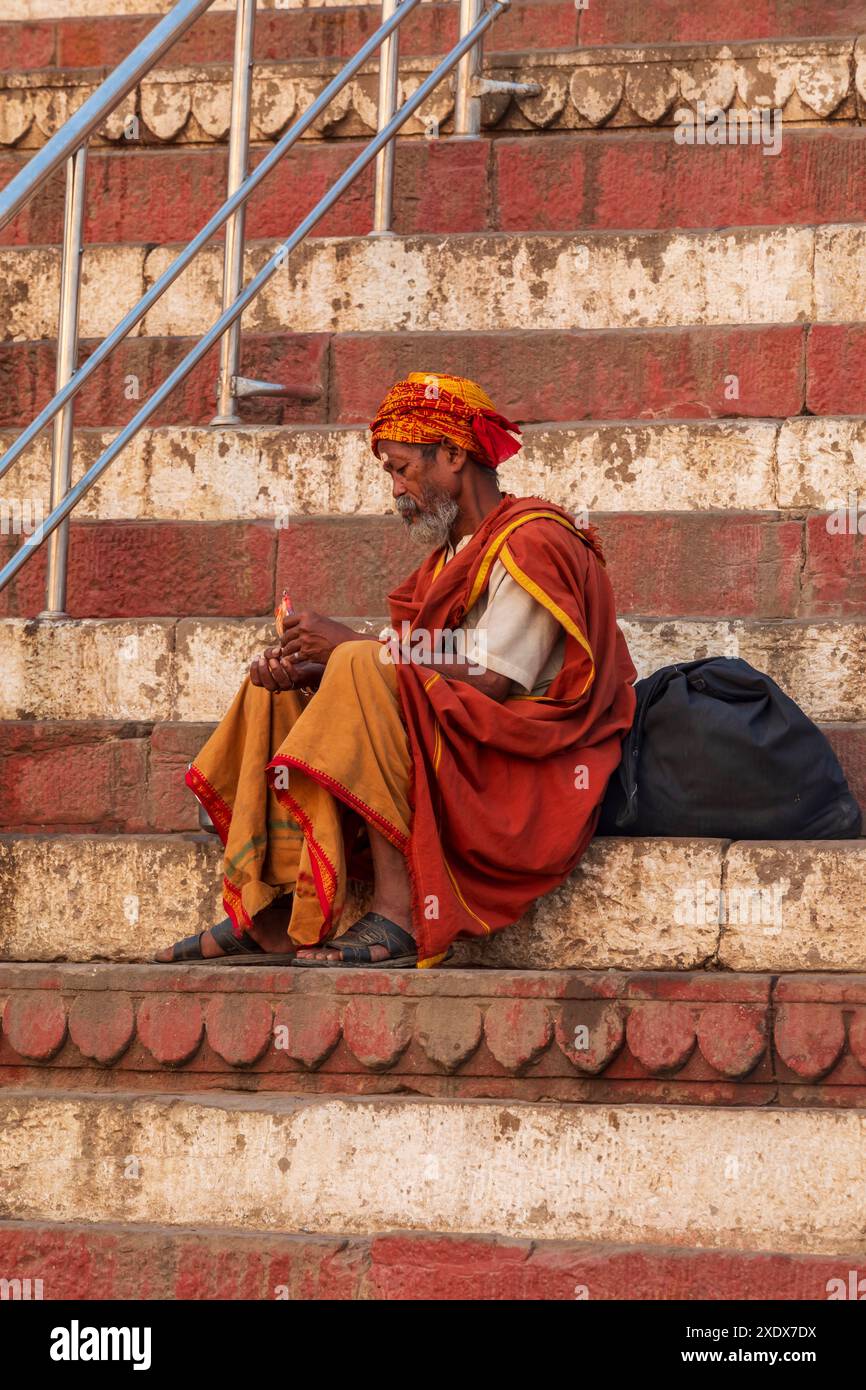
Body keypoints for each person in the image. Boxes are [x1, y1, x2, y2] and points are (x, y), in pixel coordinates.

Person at [156, 372, 636, 968]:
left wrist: (354, 647)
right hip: (452, 738)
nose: (395, 489)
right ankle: (271, 910)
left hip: (519, 766)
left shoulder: (533, 540)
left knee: (360, 661)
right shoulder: (450, 559)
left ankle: (400, 912)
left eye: (402, 468)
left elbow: (490, 680)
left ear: (455, 454)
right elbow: (416, 676)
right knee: (278, 689)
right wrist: (316, 672)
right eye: (390, 472)